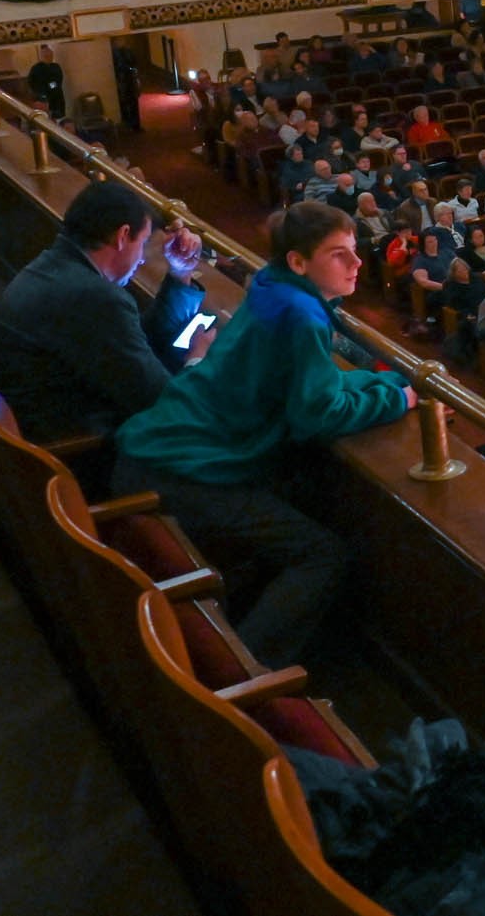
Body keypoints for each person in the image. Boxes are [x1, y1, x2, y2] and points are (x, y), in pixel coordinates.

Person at [109, 203, 412, 665]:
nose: (356, 264)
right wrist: (398, 400)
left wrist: (387, 383)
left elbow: (317, 383)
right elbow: (320, 414)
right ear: (298, 261)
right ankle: (246, 674)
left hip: (156, 452)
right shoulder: (303, 316)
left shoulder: (272, 289)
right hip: (182, 471)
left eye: (354, 252)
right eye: (339, 255)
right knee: (323, 557)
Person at [0, 179, 209, 441]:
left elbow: (132, 341)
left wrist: (181, 271)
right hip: (72, 449)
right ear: (123, 236)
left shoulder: (56, 265)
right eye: (144, 242)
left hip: (27, 424)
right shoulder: (92, 295)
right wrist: (198, 358)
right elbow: (163, 404)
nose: (143, 258)